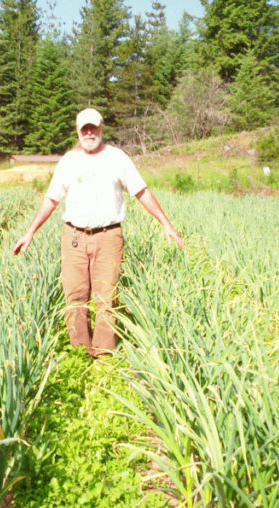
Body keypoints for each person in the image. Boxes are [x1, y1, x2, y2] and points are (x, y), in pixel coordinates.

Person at [13, 108, 183, 357]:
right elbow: (51, 199)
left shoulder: (118, 158)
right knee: (75, 296)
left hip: (108, 236)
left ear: (102, 129)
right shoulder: (69, 161)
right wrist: (29, 232)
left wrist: (166, 224)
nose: (89, 133)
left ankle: (103, 356)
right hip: (74, 238)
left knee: (107, 297)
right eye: (84, 129)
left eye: (94, 128)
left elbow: (141, 192)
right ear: (78, 131)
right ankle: (80, 354)